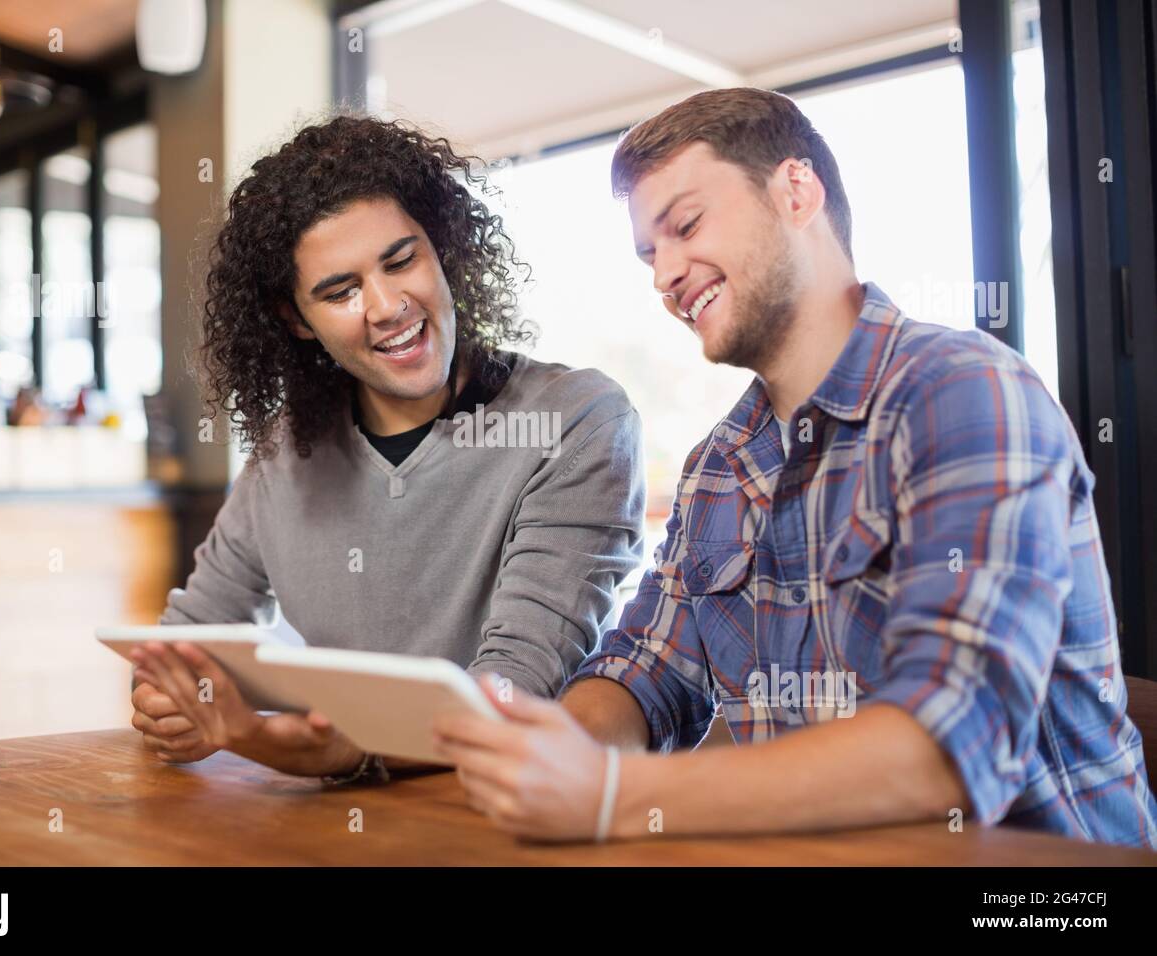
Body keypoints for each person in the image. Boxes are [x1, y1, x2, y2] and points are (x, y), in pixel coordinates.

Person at [433, 88, 1157, 849]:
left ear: (796, 191)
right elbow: (644, 670)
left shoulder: (962, 393)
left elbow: (946, 748)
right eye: (650, 254)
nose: (665, 275)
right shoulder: (720, 463)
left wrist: (613, 794)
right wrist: (557, 750)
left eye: (685, 227)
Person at [130, 115, 645, 784]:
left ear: (443, 251)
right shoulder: (284, 455)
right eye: (340, 291)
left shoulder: (575, 421)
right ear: (296, 319)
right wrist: (169, 701)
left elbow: (513, 694)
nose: (386, 306)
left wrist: (337, 748)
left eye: (402, 261)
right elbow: (187, 639)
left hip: (511, 820)